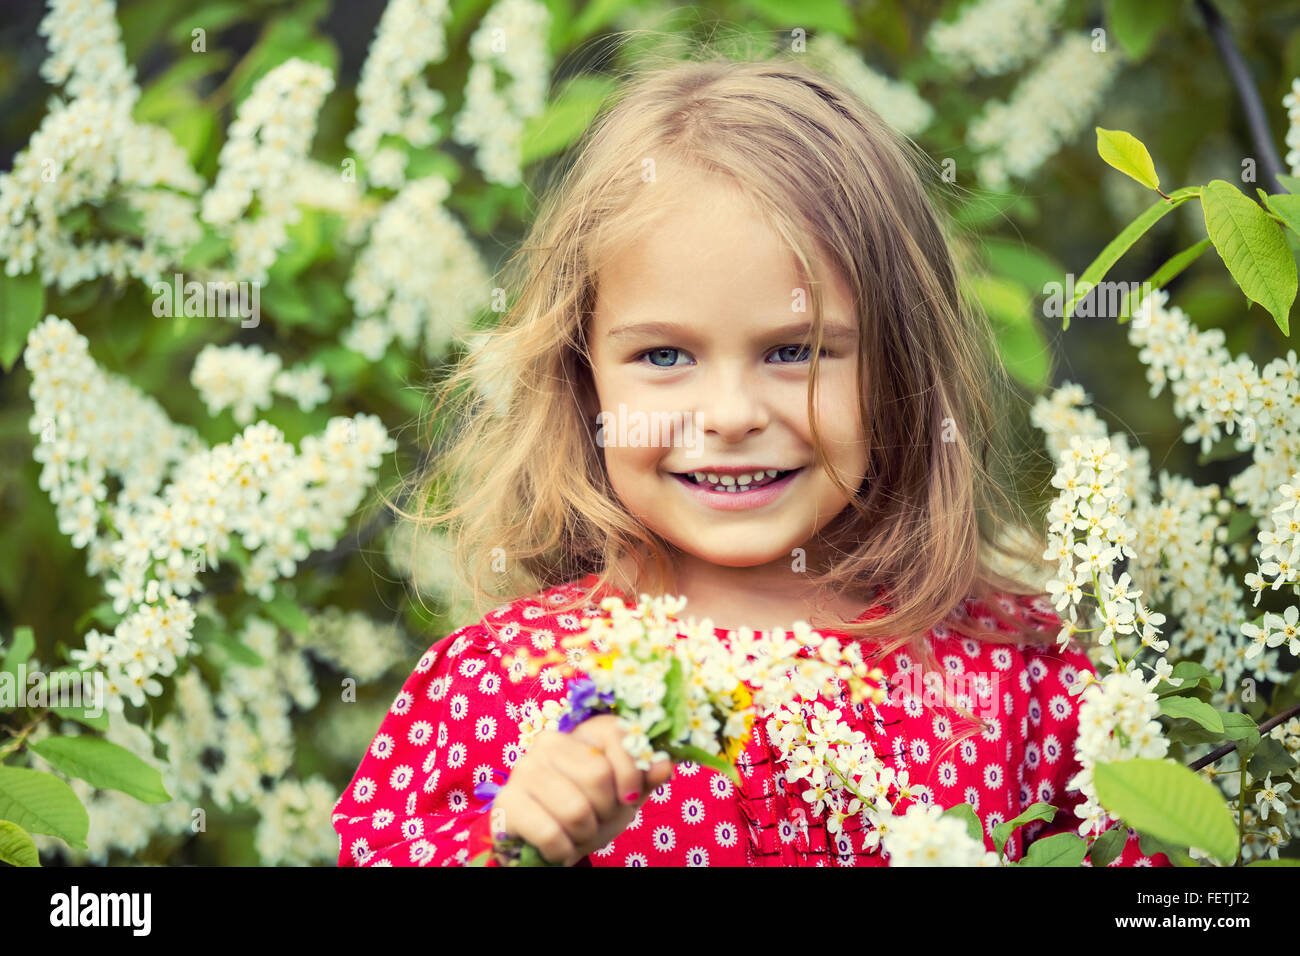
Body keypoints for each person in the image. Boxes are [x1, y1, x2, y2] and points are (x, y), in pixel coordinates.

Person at [331, 49, 1172, 867]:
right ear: (584, 384)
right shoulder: (500, 684)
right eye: (663, 356)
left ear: (898, 370)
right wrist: (507, 840)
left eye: (794, 351)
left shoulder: (1018, 682)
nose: (731, 417)